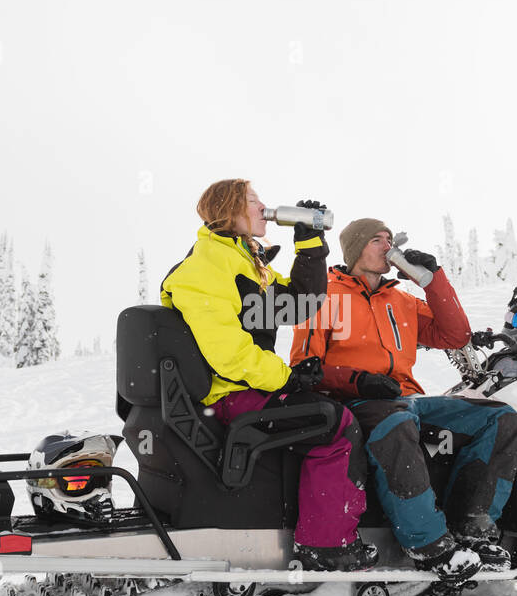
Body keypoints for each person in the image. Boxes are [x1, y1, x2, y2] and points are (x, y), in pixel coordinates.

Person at [290, 218, 517, 583]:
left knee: (500, 417)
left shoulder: (399, 299)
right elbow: (305, 367)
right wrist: (359, 381)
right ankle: (429, 545)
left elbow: (455, 334)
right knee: (395, 421)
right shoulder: (326, 295)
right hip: (357, 403)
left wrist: (433, 281)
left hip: (405, 398)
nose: (386, 246)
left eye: (388, 239)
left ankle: (472, 528)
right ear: (355, 249)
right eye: (376, 240)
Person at [160, 179, 377, 571]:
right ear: (230, 211)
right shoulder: (204, 268)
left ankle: (310, 525)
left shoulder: (246, 263)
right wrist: (288, 379)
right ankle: (325, 546)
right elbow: (228, 355)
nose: (264, 208)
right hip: (225, 396)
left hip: (245, 387)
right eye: (253, 201)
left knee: (326, 411)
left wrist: (310, 244)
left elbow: (300, 304)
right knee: (334, 422)